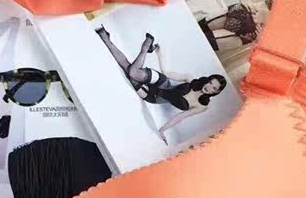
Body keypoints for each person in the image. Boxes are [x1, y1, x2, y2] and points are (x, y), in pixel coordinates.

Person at [95, 27, 227, 143]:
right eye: (210, 82)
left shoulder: (202, 106)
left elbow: (180, 117)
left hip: (154, 98)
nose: (209, 87)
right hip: (162, 82)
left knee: (129, 71)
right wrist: (159, 53)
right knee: (133, 72)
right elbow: (166, 72)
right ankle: (137, 46)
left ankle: (114, 40)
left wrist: (162, 130)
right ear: (208, 80)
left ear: (216, 92)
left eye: (214, 88)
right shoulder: (191, 79)